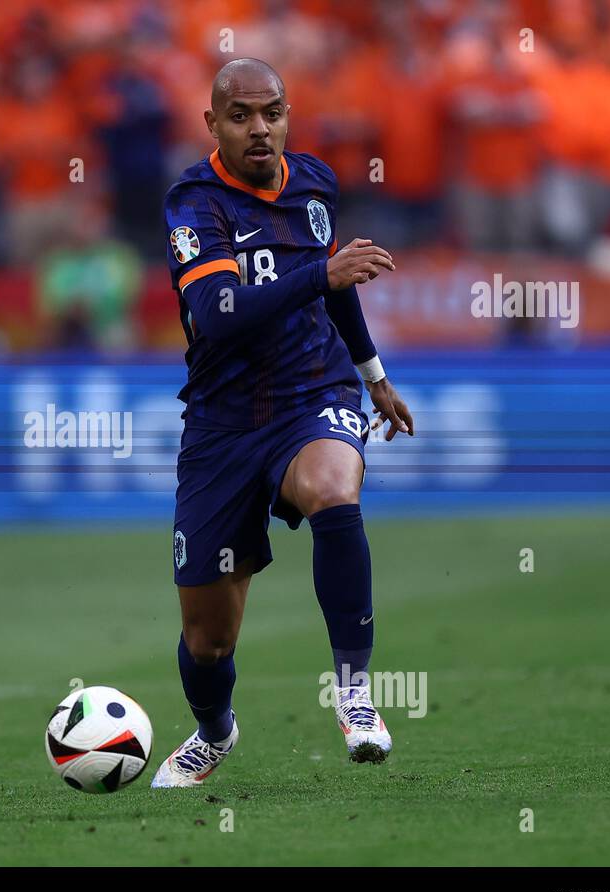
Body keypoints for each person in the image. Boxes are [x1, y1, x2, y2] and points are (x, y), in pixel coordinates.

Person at [153, 59, 415, 788]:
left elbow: (337, 293)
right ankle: (214, 731)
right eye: (240, 116)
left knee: (334, 487)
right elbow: (216, 314)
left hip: (313, 393)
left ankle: (356, 695)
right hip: (223, 423)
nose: (258, 127)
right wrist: (318, 276)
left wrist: (374, 379)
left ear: (288, 115)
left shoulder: (314, 185)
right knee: (209, 640)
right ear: (213, 125)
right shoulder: (194, 205)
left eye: (271, 112)